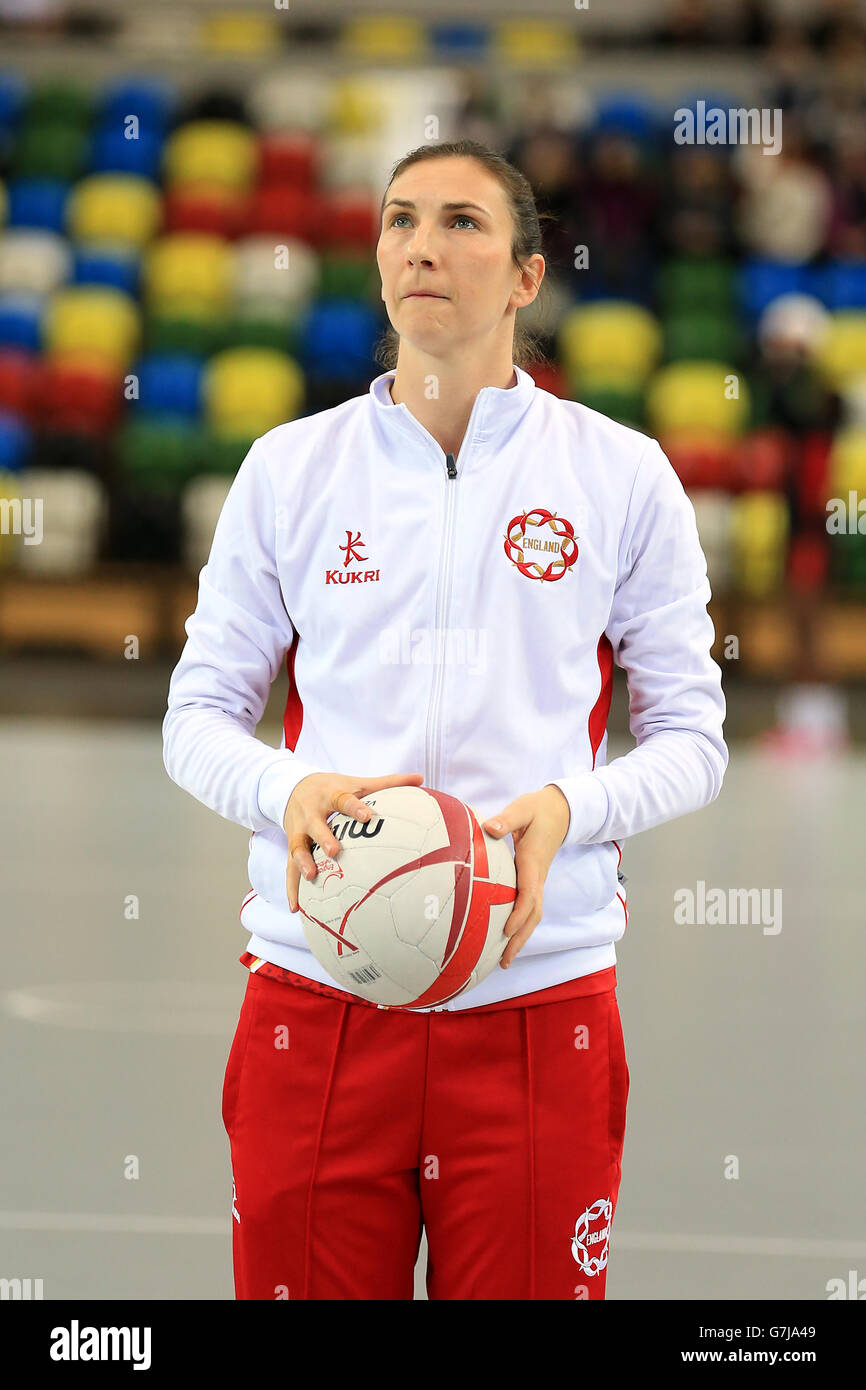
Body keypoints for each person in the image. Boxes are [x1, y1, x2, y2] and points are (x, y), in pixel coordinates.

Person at [162, 139, 728, 1300]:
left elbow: (691, 740)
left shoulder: (620, 477)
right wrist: (286, 790)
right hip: (317, 995)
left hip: (536, 1002)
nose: (424, 246)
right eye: (400, 220)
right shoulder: (288, 470)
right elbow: (195, 717)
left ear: (525, 276)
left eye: (462, 223)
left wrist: (574, 807)